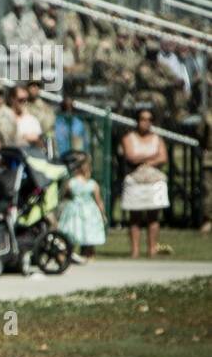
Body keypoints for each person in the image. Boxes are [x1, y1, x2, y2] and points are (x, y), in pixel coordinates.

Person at [119, 108, 169, 258]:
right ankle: (135, 251)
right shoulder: (129, 137)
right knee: (134, 217)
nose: (146, 122)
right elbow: (131, 157)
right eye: (142, 119)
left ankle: (152, 249)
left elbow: (163, 158)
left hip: (154, 182)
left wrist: (143, 158)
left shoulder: (157, 139)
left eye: (149, 119)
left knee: (153, 217)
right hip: (135, 181)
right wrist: (152, 156)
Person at [58, 155, 107, 261]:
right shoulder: (92, 184)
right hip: (90, 210)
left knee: (71, 231)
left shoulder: (71, 182)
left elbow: (63, 196)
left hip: (73, 209)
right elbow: (99, 201)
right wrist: (102, 214)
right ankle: (89, 254)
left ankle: (65, 253)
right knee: (88, 232)